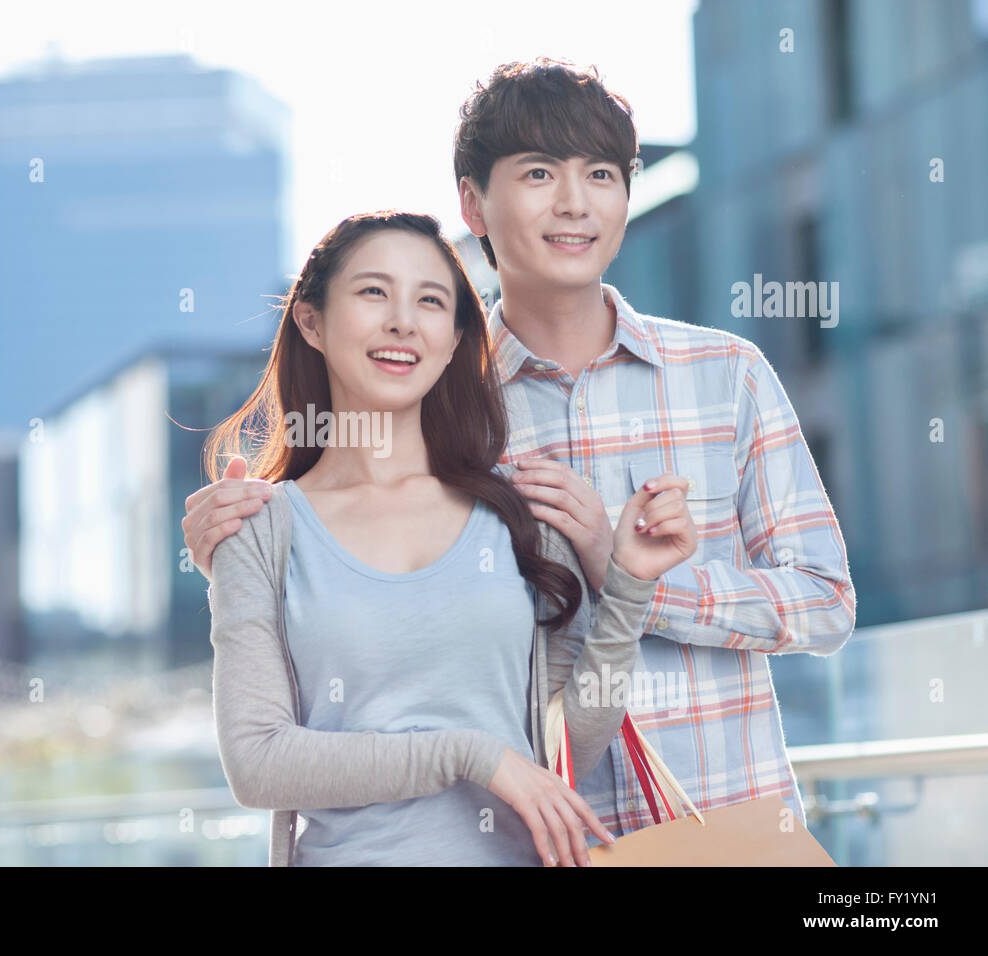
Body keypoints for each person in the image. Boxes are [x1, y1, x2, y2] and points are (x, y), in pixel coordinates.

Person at [188, 57, 856, 841]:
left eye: (602, 174)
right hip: (532, 838)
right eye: (539, 173)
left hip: (725, 828)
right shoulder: (440, 413)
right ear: (472, 202)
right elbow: (370, 593)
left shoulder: (726, 377)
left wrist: (631, 579)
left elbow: (827, 604)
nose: (574, 203)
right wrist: (241, 555)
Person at [205, 209, 697, 866]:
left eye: (431, 301)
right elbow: (259, 764)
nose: (403, 320)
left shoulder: (520, 512)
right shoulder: (258, 531)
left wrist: (630, 588)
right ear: (311, 321)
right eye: (374, 292)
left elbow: (563, 753)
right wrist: (470, 756)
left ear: (456, 335)